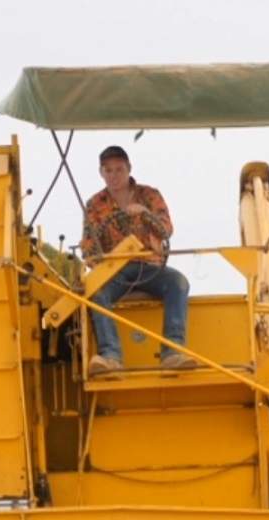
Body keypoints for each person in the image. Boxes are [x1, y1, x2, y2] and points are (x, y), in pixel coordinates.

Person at [79, 145, 195, 374]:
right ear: (101, 172)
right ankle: (110, 355)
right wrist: (104, 262)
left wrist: (144, 213)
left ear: (129, 169)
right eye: (108, 170)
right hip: (117, 272)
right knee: (95, 291)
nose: (114, 175)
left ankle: (172, 351)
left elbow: (166, 230)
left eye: (119, 170)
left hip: (149, 267)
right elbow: (89, 247)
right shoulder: (95, 204)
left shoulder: (149, 195)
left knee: (178, 282)